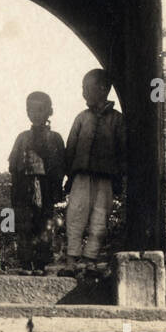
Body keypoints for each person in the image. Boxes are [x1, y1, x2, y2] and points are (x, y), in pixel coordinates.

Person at [59, 69, 126, 270]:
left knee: (100, 217)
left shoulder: (117, 119)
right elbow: (70, 148)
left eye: (88, 88)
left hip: (106, 177)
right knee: (75, 214)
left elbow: (123, 150)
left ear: (103, 89)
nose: (84, 93)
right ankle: (72, 259)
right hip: (81, 175)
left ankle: (90, 259)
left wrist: (119, 177)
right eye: (83, 89)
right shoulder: (82, 118)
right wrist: (69, 176)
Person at [7, 91, 66, 275]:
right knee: (24, 224)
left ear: (49, 111)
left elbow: (60, 165)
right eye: (31, 110)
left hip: (46, 187)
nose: (35, 114)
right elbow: (13, 166)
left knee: (45, 225)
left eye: (40, 110)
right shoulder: (22, 137)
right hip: (24, 186)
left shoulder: (55, 138)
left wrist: (56, 188)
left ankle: (41, 264)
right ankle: (25, 263)